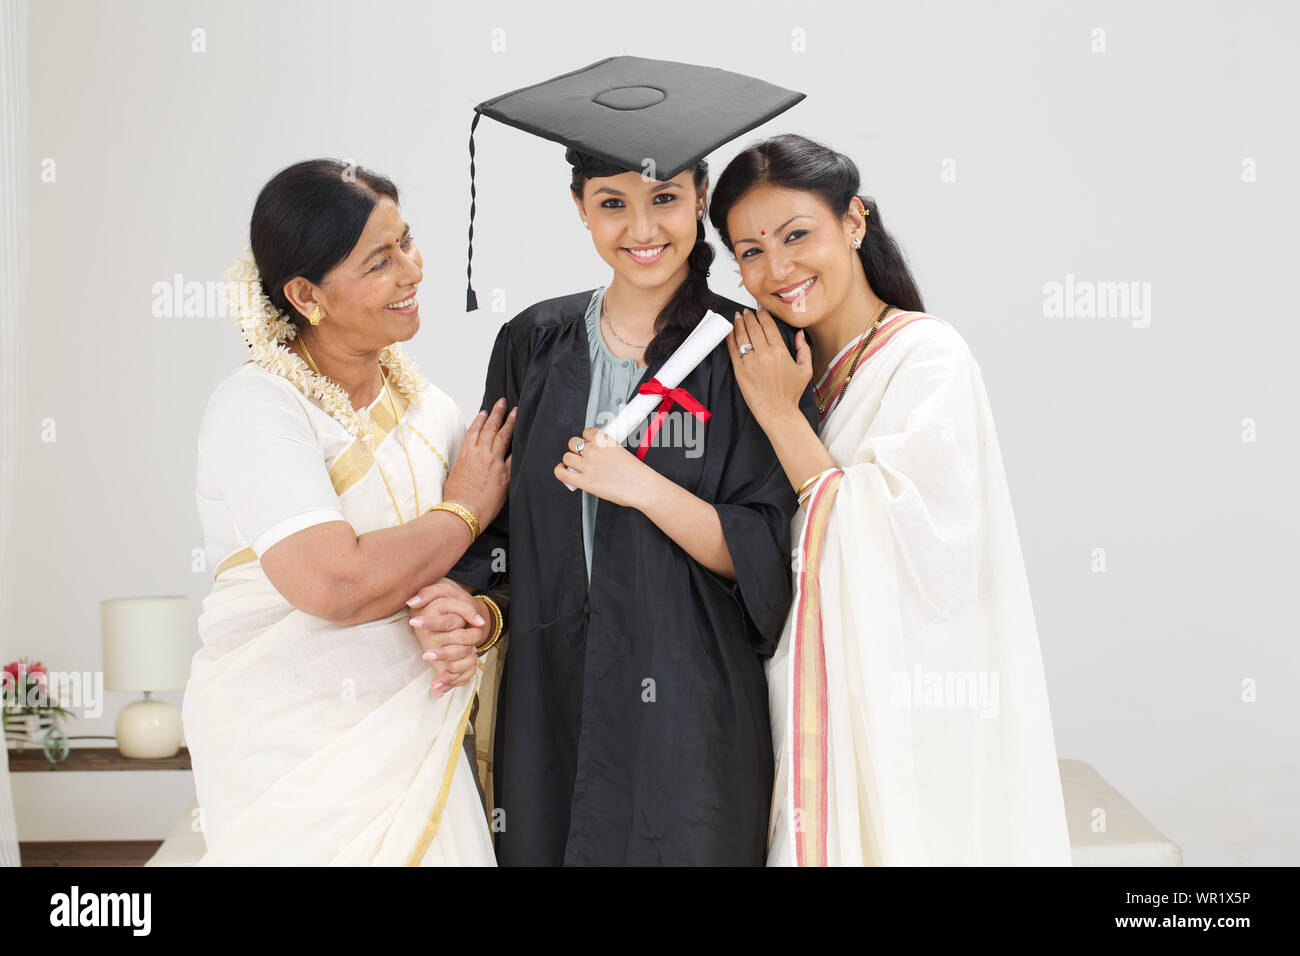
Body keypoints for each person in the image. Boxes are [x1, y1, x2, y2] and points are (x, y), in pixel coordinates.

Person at [411, 58, 814, 865]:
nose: (643, 228)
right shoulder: (533, 341)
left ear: (700, 197)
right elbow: (501, 532)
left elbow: (769, 551)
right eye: (613, 204)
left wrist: (639, 486)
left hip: (691, 699)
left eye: (665, 199)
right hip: (551, 692)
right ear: (579, 209)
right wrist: (470, 604)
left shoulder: (748, 349)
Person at [709, 134, 1073, 865]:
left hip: (913, 710)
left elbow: (913, 555)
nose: (777, 269)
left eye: (797, 235)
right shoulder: (787, 369)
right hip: (805, 698)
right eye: (749, 251)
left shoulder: (927, 357)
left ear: (854, 222)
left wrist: (781, 417)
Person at [184, 159, 513, 865]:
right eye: (379, 261)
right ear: (306, 294)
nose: (411, 272)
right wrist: (465, 508)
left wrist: (475, 622)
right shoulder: (258, 407)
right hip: (290, 753)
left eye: (407, 242)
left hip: (418, 736)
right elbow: (333, 584)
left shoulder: (434, 413)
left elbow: (467, 575)